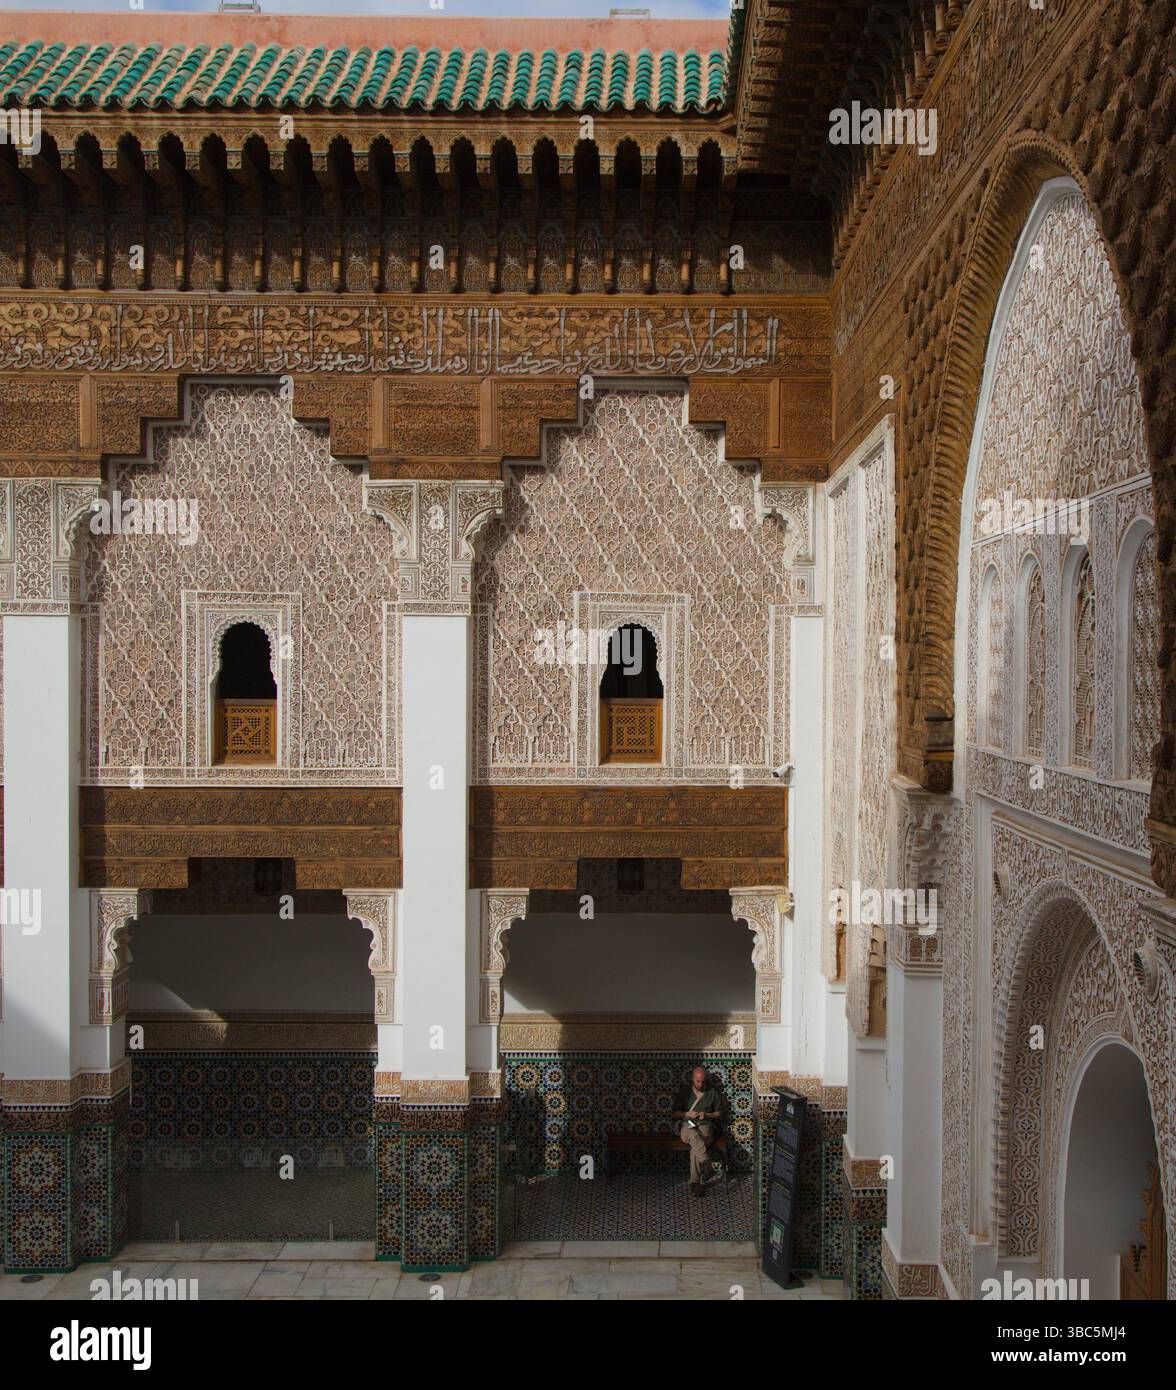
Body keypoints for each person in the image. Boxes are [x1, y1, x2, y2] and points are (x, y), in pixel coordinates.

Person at [672, 1064, 722, 1197]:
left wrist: (707, 1115)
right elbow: (675, 1113)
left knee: (696, 1145)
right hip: (687, 1122)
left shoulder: (712, 1093)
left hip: (704, 1124)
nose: (700, 1084)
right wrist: (687, 1114)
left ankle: (695, 1183)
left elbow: (719, 1113)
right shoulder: (684, 1092)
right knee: (693, 1133)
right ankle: (706, 1163)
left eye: (703, 1081)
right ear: (692, 1079)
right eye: (698, 1081)